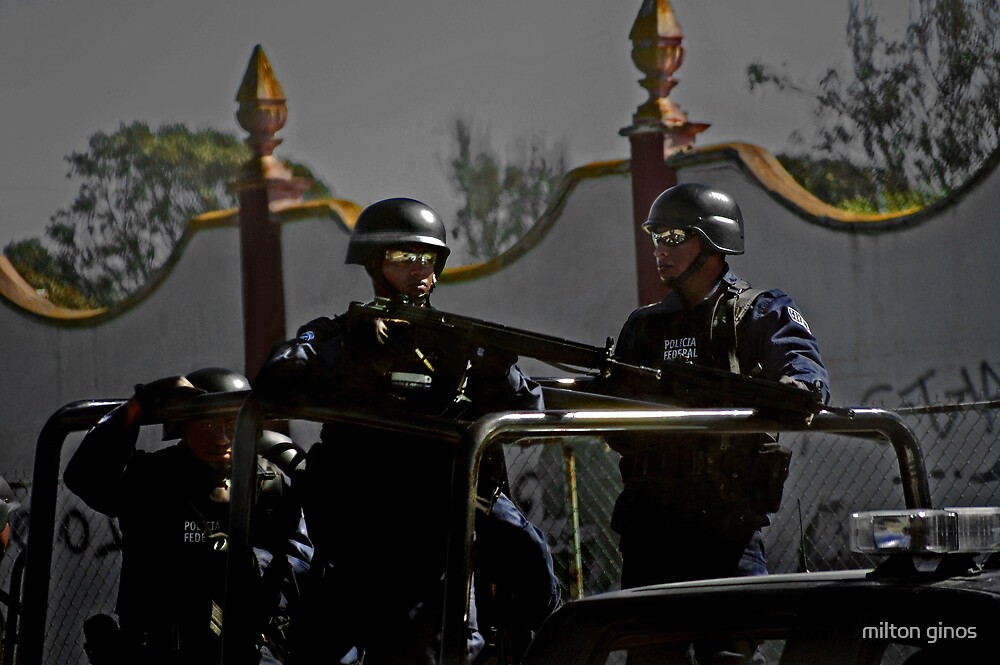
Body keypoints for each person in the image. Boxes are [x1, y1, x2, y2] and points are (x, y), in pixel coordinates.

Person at [254, 197, 558, 665]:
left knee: (522, 560)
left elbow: (530, 412)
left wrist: (497, 372)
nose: (420, 270)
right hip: (358, 537)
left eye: (429, 258)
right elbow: (275, 377)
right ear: (376, 265)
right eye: (405, 257)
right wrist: (351, 359)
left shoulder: (456, 343)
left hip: (436, 538)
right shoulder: (340, 335)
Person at [604, 184, 829, 662]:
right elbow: (613, 422)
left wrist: (792, 390)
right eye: (655, 237)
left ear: (711, 244)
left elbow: (804, 371)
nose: (660, 249)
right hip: (652, 529)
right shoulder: (642, 327)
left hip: (725, 527)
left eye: (673, 236)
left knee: (733, 655)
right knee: (650, 657)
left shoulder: (759, 312)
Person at [63, 367, 311, 665]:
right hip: (161, 649)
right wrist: (139, 404)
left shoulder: (268, 485)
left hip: (249, 649)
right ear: (183, 426)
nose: (221, 439)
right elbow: (84, 477)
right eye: (206, 425)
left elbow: (301, 562)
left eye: (232, 424)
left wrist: (252, 562)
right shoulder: (152, 480)